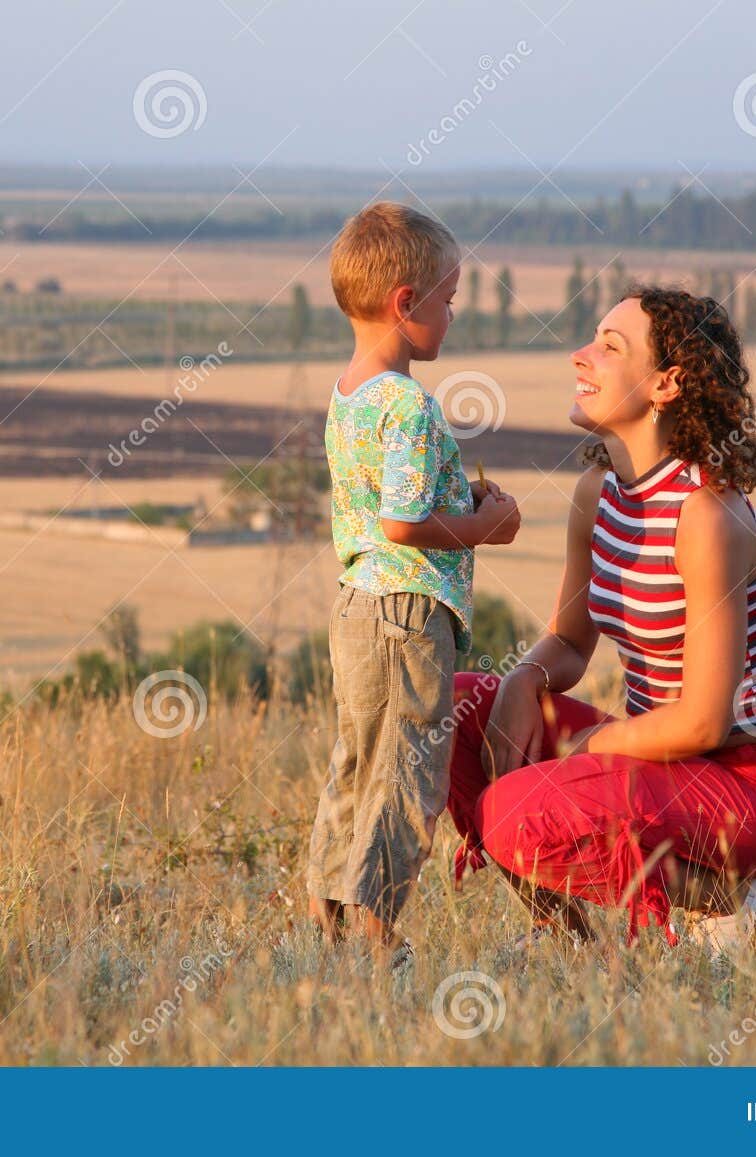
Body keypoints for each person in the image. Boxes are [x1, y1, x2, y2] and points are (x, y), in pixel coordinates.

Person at [444, 285, 756, 960]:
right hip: (657, 761)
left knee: (514, 809)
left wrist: (577, 758)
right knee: (456, 708)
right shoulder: (597, 494)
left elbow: (703, 723)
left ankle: (737, 902)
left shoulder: (705, 516)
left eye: (609, 348)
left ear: (666, 384)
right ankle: (565, 947)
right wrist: (523, 679)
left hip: (744, 783)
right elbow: (571, 641)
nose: (580, 357)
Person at [305, 203, 521, 959]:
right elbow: (404, 522)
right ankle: (378, 933)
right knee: (409, 773)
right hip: (404, 613)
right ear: (406, 302)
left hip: (358, 606)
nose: (452, 315)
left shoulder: (350, 392)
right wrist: (487, 527)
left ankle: (328, 923)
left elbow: (386, 508)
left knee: (357, 761)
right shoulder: (409, 403)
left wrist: (465, 506)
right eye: (448, 299)